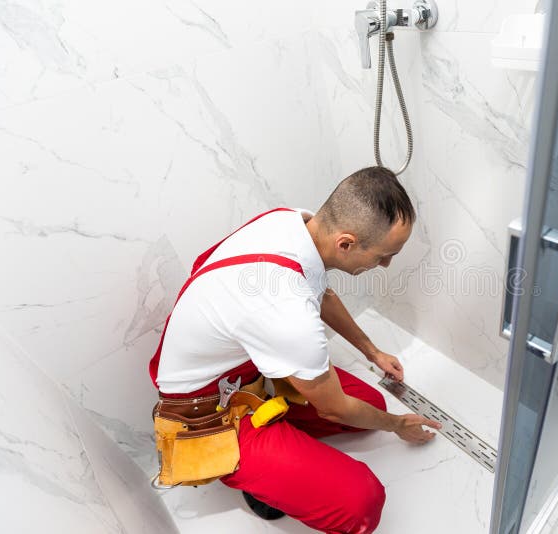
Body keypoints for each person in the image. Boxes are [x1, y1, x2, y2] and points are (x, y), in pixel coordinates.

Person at [152, 166, 441, 534]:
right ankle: (262, 477)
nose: (385, 265)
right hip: (207, 413)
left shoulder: (293, 223)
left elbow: (318, 291)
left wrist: (372, 351)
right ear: (347, 244)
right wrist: (399, 426)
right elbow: (334, 408)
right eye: (384, 255)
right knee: (362, 502)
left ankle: (286, 450)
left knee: (372, 401)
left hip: (244, 372)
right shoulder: (287, 313)